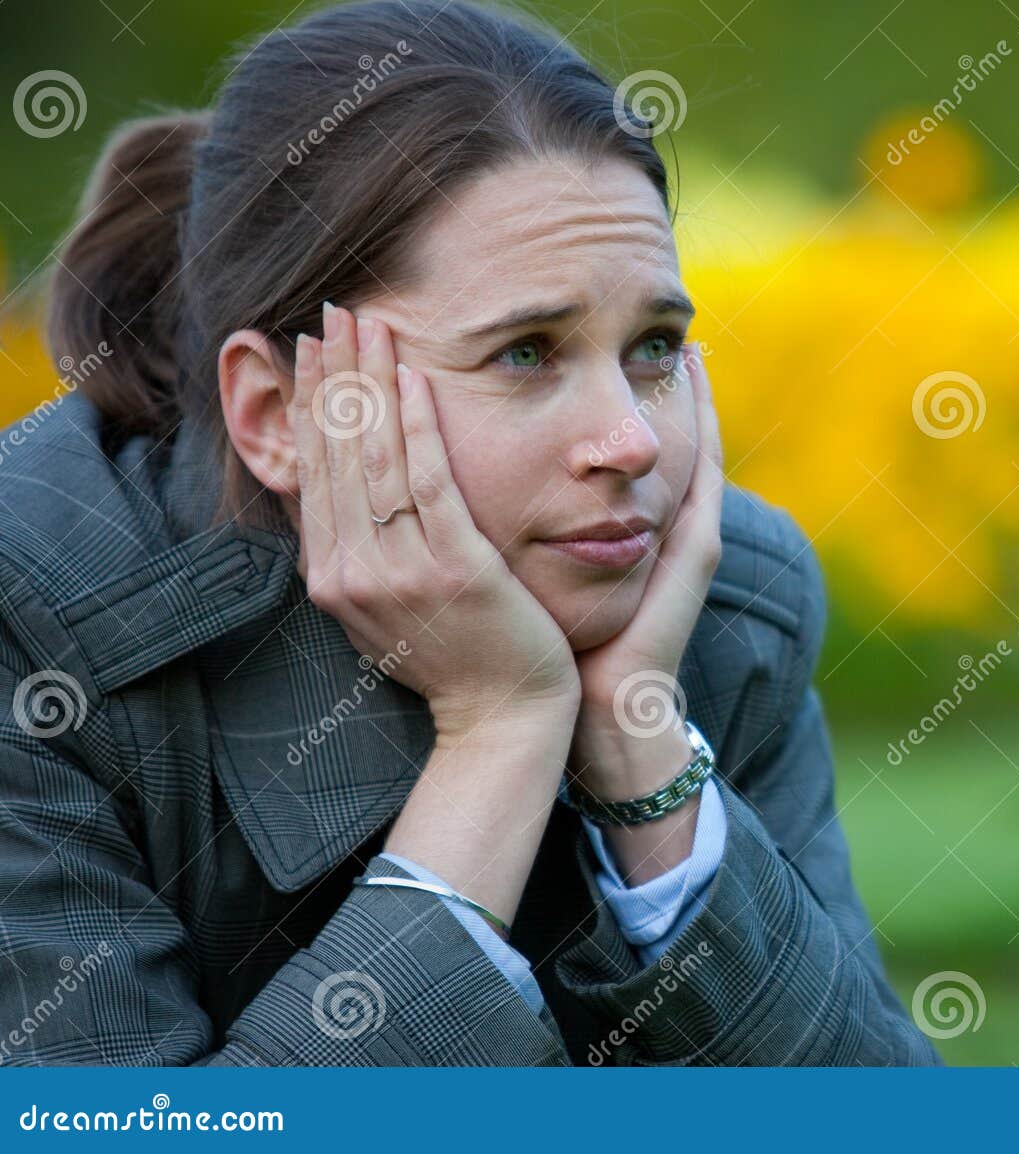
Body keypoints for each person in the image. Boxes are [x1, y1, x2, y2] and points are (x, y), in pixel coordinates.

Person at [0, 0, 939, 1066]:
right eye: (527, 353)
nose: (630, 442)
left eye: (655, 345)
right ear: (278, 414)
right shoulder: (31, 621)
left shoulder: (724, 600)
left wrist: (641, 746)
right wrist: (499, 730)